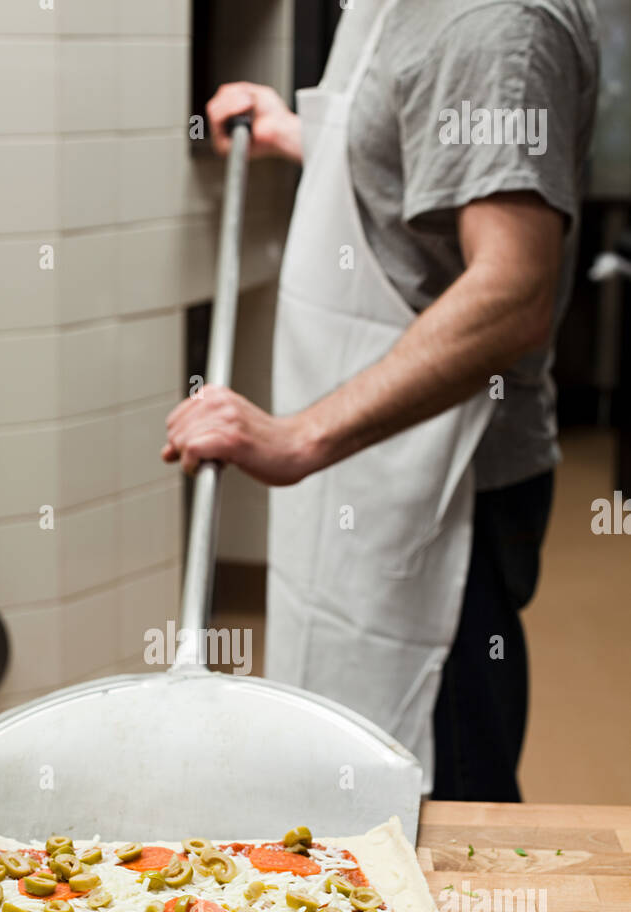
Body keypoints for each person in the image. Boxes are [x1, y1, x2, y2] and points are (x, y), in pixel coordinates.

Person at [162, 0, 599, 801]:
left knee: (445, 798)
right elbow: (430, 148)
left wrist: (301, 437)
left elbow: (512, 290)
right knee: (360, 775)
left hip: (445, 490)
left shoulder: (494, 25)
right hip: (380, 467)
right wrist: (303, 135)